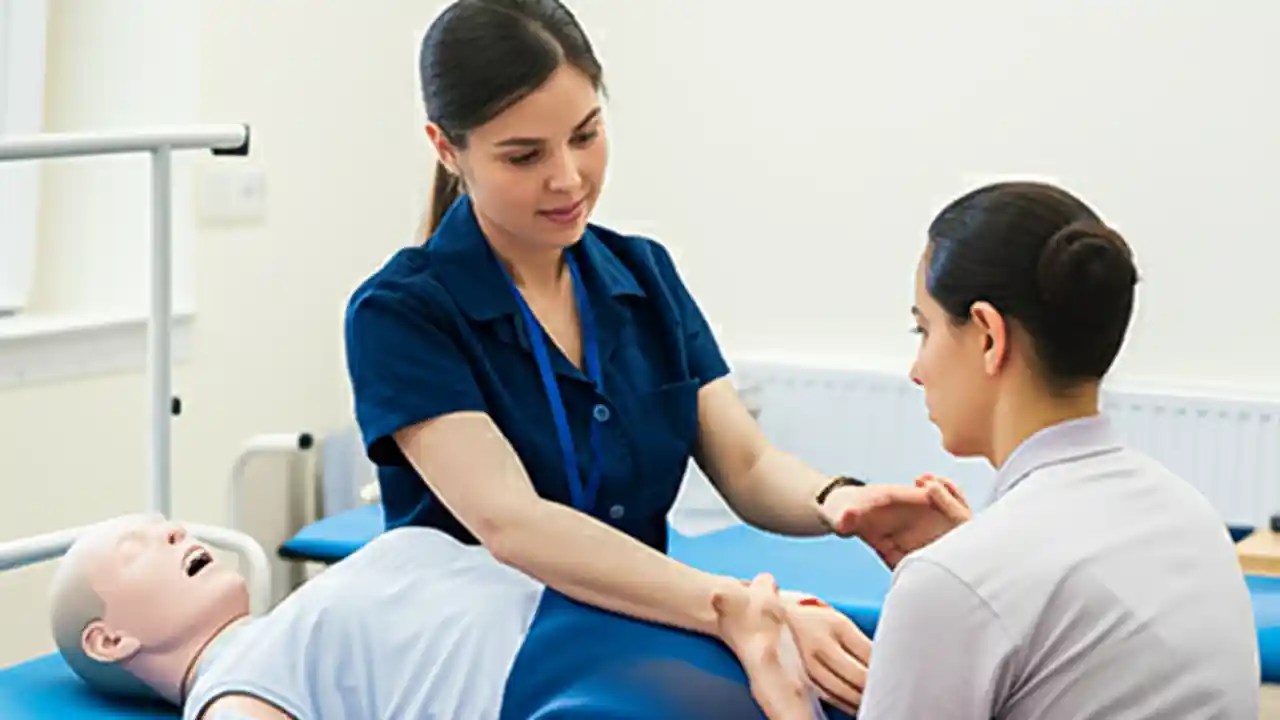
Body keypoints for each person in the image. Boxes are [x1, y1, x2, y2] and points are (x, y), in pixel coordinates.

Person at [342, 0, 958, 714]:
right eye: (524, 156)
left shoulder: (643, 276)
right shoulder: (402, 312)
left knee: (886, 665)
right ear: (447, 148)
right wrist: (739, 609)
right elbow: (513, 524)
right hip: (485, 650)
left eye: (585, 135)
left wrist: (841, 501)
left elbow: (748, 465)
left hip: (641, 616)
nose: (568, 178)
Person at [717, 181, 1261, 718]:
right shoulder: (1192, 518)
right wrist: (972, 573)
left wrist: (782, 689)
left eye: (923, 330)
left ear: (987, 336)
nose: (916, 370)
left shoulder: (957, 581)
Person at [47, 513, 837, 719]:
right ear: (109, 638)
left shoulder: (287, 622)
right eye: (138, 549)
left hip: (608, 621)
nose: (175, 534)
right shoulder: (232, 688)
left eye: (167, 524)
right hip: (547, 686)